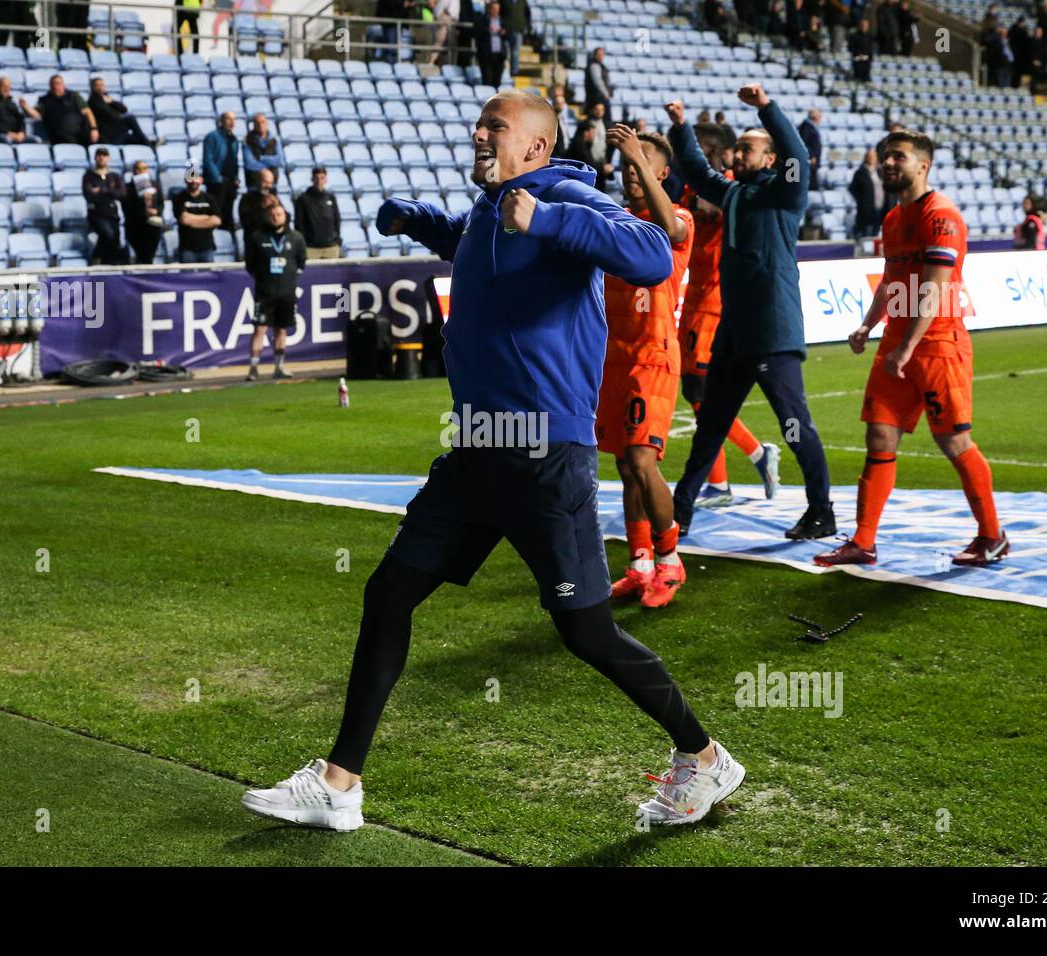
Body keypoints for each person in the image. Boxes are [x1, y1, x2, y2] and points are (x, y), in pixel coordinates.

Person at [241, 90, 746, 833]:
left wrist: (546, 218)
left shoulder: (566, 193)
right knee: (388, 595)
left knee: (587, 634)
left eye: (495, 127)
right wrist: (418, 219)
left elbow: (651, 254)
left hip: (546, 456)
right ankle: (340, 784)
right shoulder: (491, 205)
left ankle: (703, 758)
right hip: (477, 451)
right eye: (479, 124)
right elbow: (479, 242)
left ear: (536, 147)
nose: (479, 134)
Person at [815, 129, 1009, 568]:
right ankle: (863, 542)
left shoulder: (942, 215)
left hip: (937, 344)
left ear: (923, 165)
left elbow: (936, 289)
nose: (888, 163)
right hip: (897, 343)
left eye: (898, 157)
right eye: (885, 157)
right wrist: (868, 324)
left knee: (954, 441)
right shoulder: (892, 218)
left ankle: (993, 535)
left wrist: (907, 346)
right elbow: (891, 279)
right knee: (880, 435)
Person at [665, 87, 835, 541]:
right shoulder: (734, 194)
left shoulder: (786, 192)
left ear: (771, 159)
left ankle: (822, 510)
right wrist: (681, 129)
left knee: (794, 425)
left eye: (747, 148)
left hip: (773, 331)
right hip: (734, 333)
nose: (736, 154)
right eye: (737, 146)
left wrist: (766, 109)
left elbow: (797, 150)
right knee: (710, 428)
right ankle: (680, 511)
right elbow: (699, 174)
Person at [596, 124, 697, 608]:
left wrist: (635, 153)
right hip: (613, 359)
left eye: (642, 164)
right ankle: (638, 564)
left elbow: (671, 223)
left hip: (653, 356)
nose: (632, 172)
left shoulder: (676, 220)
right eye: (628, 164)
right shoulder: (615, 224)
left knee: (642, 459)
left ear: (661, 173)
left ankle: (670, 559)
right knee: (623, 464)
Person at [678, 124, 780, 509]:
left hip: (718, 299)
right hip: (693, 295)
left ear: (719, 153)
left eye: (701, 149)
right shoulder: (692, 188)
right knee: (694, 391)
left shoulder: (734, 187)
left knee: (703, 389)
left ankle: (722, 481)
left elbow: (711, 206)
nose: (692, 156)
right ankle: (750, 458)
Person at [244, 196, 306, 381]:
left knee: (282, 330)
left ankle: (279, 367)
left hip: (287, 293)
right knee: (259, 330)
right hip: (264, 294)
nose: (276, 217)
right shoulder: (258, 237)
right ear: (267, 217)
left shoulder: (295, 238)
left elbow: (301, 263)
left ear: (285, 216)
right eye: (272, 214)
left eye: (279, 214)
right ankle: (253, 369)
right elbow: (250, 265)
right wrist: (264, 280)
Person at [82, 147, 128, 265]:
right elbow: (89, 194)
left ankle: (105, 264)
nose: (101, 157)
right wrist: (110, 191)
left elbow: (122, 194)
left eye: (104, 155)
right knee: (108, 235)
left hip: (113, 213)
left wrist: (102, 190)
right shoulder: (89, 176)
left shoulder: (114, 176)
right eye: (99, 155)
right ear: (95, 157)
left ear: (108, 158)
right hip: (96, 214)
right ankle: (97, 256)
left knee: (115, 241)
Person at [203, 111, 242, 231]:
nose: (231, 122)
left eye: (233, 119)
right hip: (217, 183)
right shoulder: (212, 136)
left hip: (230, 182)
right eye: (228, 119)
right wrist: (218, 178)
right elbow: (208, 159)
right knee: (215, 213)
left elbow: (234, 160)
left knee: (228, 214)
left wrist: (236, 178)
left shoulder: (234, 139)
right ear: (221, 121)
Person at [173, 170, 223, 263]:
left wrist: (192, 221)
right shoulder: (178, 198)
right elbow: (184, 220)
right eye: (190, 178)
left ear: (201, 180)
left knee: (208, 277)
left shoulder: (210, 198)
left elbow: (217, 221)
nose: (193, 181)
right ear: (185, 180)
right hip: (187, 248)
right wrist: (207, 218)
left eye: (195, 178)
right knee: (186, 277)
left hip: (207, 247)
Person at [89, 77, 155, 147]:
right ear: (93, 87)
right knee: (130, 119)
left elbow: (124, 109)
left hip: (118, 133)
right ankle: (150, 145)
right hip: (109, 135)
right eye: (98, 85)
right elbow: (111, 115)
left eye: (102, 85)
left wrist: (112, 102)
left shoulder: (106, 98)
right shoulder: (94, 101)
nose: (101, 87)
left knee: (133, 137)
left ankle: (150, 143)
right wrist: (118, 113)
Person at [293, 166, 342, 259]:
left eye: (322, 178)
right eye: (316, 178)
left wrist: (337, 240)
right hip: (311, 249)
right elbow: (298, 223)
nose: (319, 181)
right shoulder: (303, 199)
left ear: (326, 179)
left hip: (331, 247)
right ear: (312, 179)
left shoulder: (331, 197)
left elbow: (337, 219)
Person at [123, 160, 165, 265]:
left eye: (145, 168)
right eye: (139, 169)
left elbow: (161, 203)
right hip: (135, 227)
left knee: (148, 257)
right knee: (142, 256)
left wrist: (156, 211)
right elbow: (127, 207)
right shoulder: (127, 187)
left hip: (153, 227)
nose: (142, 171)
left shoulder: (154, 184)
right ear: (134, 171)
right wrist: (143, 211)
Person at [37, 75, 98, 145]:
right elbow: (36, 114)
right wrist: (26, 107)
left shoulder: (73, 96)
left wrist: (94, 129)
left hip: (80, 133)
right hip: (60, 136)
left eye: (58, 84)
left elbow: (87, 112)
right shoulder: (45, 100)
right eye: (52, 84)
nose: (55, 86)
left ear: (63, 85)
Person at [566, 100, 614, 189]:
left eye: (601, 110)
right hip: (590, 166)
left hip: (600, 165)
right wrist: (603, 168)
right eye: (597, 109)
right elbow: (584, 157)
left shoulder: (608, 125)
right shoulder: (583, 130)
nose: (599, 112)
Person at [0, 76, 42, 144]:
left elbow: (20, 119)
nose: (6, 89)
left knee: (36, 140)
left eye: (8, 86)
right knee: (7, 139)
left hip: (15, 135)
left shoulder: (12, 103)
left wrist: (21, 132)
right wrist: (8, 133)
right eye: (3, 86)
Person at [849, 146, 890, 239]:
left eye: (874, 156)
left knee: (875, 235)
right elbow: (852, 189)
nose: (872, 159)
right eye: (870, 156)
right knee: (867, 236)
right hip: (866, 211)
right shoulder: (860, 173)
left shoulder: (880, 172)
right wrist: (862, 200)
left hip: (880, 209)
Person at [242, 113, 284, 189]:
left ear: (267, 123)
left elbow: (279, 160)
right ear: (253, 125)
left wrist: (261, 158)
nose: (260, 125)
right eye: (257, 123)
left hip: (272, 183)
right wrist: (265, 172)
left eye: (262, 122)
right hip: (254, 183)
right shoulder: (247, 140)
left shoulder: (275, 140)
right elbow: (249, 163)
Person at [474, 0, 507, 87]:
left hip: (499, 56)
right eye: (494, 9)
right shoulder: (482, 20)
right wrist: (487, 30)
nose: (496, 11)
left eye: (497, 9)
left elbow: (509, 36)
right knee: (487, 81)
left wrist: (503, 33)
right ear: (490, 9)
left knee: (497, 82)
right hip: (486, 56)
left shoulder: (503, 21)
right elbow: (476, 33)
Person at [238, 166, 277, 236]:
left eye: (270, 183)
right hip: (254, 238)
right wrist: (262, 207)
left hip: (272, 236)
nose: (268, 186)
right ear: (258, 181)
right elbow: (246, 223)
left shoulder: (273, 196)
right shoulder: (246, 198)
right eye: (265, 182)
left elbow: (287, 218)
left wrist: (277, 206)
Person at [502, 0, 530, 77]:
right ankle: (505, 70)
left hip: (519, 29)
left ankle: (514, 71)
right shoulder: (503, 1)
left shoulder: (523, 1)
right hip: (506, 30)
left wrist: (525, 25)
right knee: (505, 51)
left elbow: (527, 13)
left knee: (515, 51)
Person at [584, 46, 611, 125]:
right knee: (600, 120)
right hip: (597, 98)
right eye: (599, 54)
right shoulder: (594, 65)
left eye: (602, 54)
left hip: (599, 97)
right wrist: (605, 93)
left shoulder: (599, 65)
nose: (601, 56)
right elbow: (597, 80)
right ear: (595, 55)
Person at [798, 108, 822, 189]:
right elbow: (803, 143)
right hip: (809, 161)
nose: (820, 118)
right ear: (814, 116)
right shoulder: (806, 127)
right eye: (819, 116)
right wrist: (811, 156)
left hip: (812, 163)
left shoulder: (810, 126)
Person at [549, 86, 573, 158]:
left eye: (562, 104)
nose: (560, 106)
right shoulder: (550, 118)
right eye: (557, 103)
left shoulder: (567, 115)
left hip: (568, 152)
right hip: (555, 154)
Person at [850, 17, 874, 81]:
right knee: (858, 77)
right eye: (863, 25)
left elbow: (870, 48)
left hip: (866, 60)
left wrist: (870, 57)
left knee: (866, 77)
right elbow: (851, 47)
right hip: (857, 59)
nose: (864, 26)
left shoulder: (870, 36)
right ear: (859, 25)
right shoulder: (854, 36)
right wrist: (858, 54)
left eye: (866, 25)